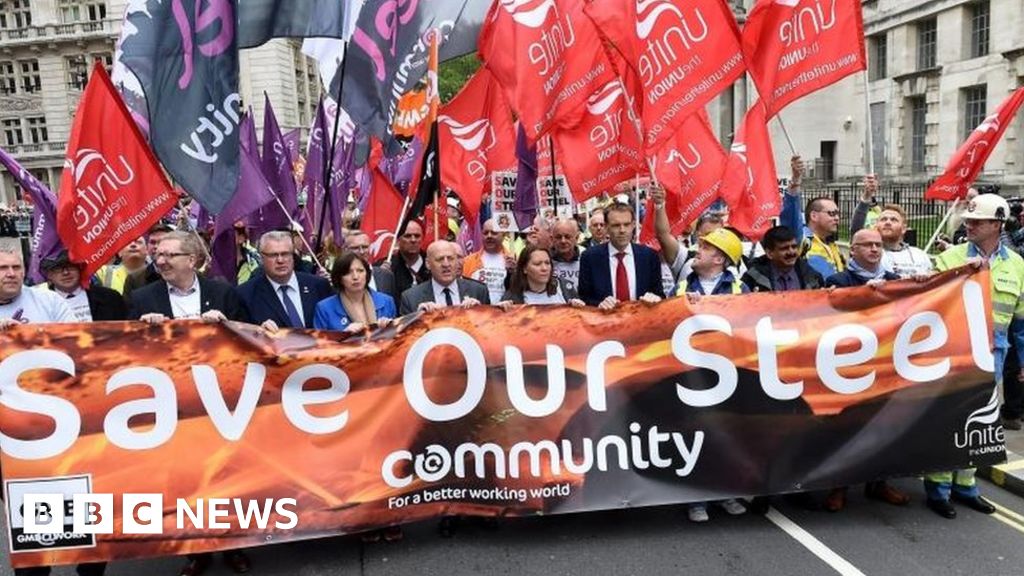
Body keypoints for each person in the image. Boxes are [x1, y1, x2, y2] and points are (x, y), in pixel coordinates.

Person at [0, 239, 107, 576]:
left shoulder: (47, 301)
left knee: (81, 510)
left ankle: (89, 567)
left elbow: (78, 348)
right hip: (11, 437)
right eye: (2, 268)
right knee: (33, 523)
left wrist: (31, 338)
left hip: (60, 427)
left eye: (16, 267)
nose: (11, 274)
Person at [925, 193, 1023, 519]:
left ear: (997, 224)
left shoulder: (1017, 265)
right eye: (967, 220)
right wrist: (962, 275)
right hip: (952, 352)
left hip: (993, 356)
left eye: (977, 221)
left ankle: (966, 486)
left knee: (980, 423)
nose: (969, 225)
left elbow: (1020, 322)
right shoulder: (949, 258)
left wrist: (1022, 362)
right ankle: (938, 488)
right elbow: (925, 303)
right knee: (948, 419)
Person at [676, 228, 747, 522]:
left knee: (726, 436)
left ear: (719, 258)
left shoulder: (739, 289)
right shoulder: (682, 289)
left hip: (728, 376)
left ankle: (726, 491)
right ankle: (697, 498)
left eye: (704, 248)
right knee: (695, 437)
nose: (696, 250)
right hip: (691, 376)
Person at [127, 231, 248, 325]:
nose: (160, 261)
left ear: (191, 260)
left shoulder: (223, 293)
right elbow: (130, 345)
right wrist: (142, 327)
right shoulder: (142, 299)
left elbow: (243, 338)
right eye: (159, 255)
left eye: (170, 255)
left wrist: (224, 324)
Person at [236, 231, 333, 330]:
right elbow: (242, 335)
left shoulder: (318, 286)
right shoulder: (246, 294)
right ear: (262, 257)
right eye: (273, 255)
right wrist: (258, 333)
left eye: (285, 254)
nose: (280, 260)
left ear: (293, 255)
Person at [578, 203, 665, 309]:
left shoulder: (649, 256)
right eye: (616, 225)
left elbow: (660, 295)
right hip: (605, 321)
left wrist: (655, 298)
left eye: (627, 224)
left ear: (633, 225)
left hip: (640, 321)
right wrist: (599, 305)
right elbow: (584, 298)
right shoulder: (590, 257)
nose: (622, 230)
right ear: (606, 227)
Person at [850, 176, 933, 278]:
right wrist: (867, 197)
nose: (888, 222)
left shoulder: (920, 255)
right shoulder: (871, 254)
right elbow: (856, 231)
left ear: (904, 229)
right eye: (883, 219)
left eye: (894, 220)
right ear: (876, 226)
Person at [779, 156, 846, 278]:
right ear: (814, 216)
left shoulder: (832, 245)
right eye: (831, 214)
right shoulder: (802, 240)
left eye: (837, 214)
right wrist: (795, 181)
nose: (837, 218)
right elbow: (790, 217)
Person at [399, 240, 490, 314]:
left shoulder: (479, 291)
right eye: (440, 259)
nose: (446, 264)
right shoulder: (411, 298)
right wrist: (419, 318)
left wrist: (479, 312)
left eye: (450, 258)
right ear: (428, 264)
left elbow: (490, 329)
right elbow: (405, 335)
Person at [314, 252, 397, 332]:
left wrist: (389, 329)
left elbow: (399, 339)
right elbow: (320, 344)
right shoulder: (324, 308)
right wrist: (343, 335)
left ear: (367, 274)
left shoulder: (387, 301)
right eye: (348, 273)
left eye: (360, 271)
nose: (355, 277)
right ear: (339, 278)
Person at [41, 250, 127, 322]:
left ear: (80, 269)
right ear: (49, 275)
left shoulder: (110, 297)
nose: (66, 273)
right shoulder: (41, 304)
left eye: (71, 267)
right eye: (58, 269)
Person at [741, 226, 824, 292]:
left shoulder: (813, 277)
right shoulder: (752, 279)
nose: (791, 252)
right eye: (784, 248)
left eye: (794, 247)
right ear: (770, 253)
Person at [498, 246, 584, 307]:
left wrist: (579, 308)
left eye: (547, 263)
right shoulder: (512, 297)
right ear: (524, 269)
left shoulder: (565, 288)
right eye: (537, 264)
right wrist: (500, 312)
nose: (544, 268)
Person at [680, 228, 749, 296]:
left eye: (705, 248)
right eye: (700, 247)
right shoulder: (679, 289)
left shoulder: (740, 291)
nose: (698, 251)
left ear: (719, 260)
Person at [462, 219, 515, 304]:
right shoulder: (468, 261)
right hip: (477, 313)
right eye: (485, 233)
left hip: (505, 313)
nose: (489, 236)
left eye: (494, 233)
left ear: (503, 235)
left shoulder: (513, 261)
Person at [824, 229, 900, 288]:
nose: (874, 249)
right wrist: (864, 292)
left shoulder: (895, 280)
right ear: (852, 250)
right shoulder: (838, 282)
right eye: (868, 245)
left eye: (878, 245)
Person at [344, 231, 400, 303]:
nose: (361, 252)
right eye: (355, 248)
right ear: (345, 250)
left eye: (365, 247)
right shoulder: (340, 277)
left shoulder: (386, 276)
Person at [122, 223, 174, 299]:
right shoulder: (135, 279)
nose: (156, 246)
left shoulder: (186, 274)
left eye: (161, 242)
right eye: (152, 242)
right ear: (147, 247)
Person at [390, 220, 430, 295]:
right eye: (407, 236)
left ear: (423, 238)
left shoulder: (433, 264)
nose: (413, 240)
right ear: (398, 240)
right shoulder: (389, 267)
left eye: (417, 236)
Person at [551, 219, 582, 293]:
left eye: (567, 237)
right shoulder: (546, 261)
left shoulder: (586, 259)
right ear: (552, 239)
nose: (563, 241)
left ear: (576, 238)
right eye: (558, 237)